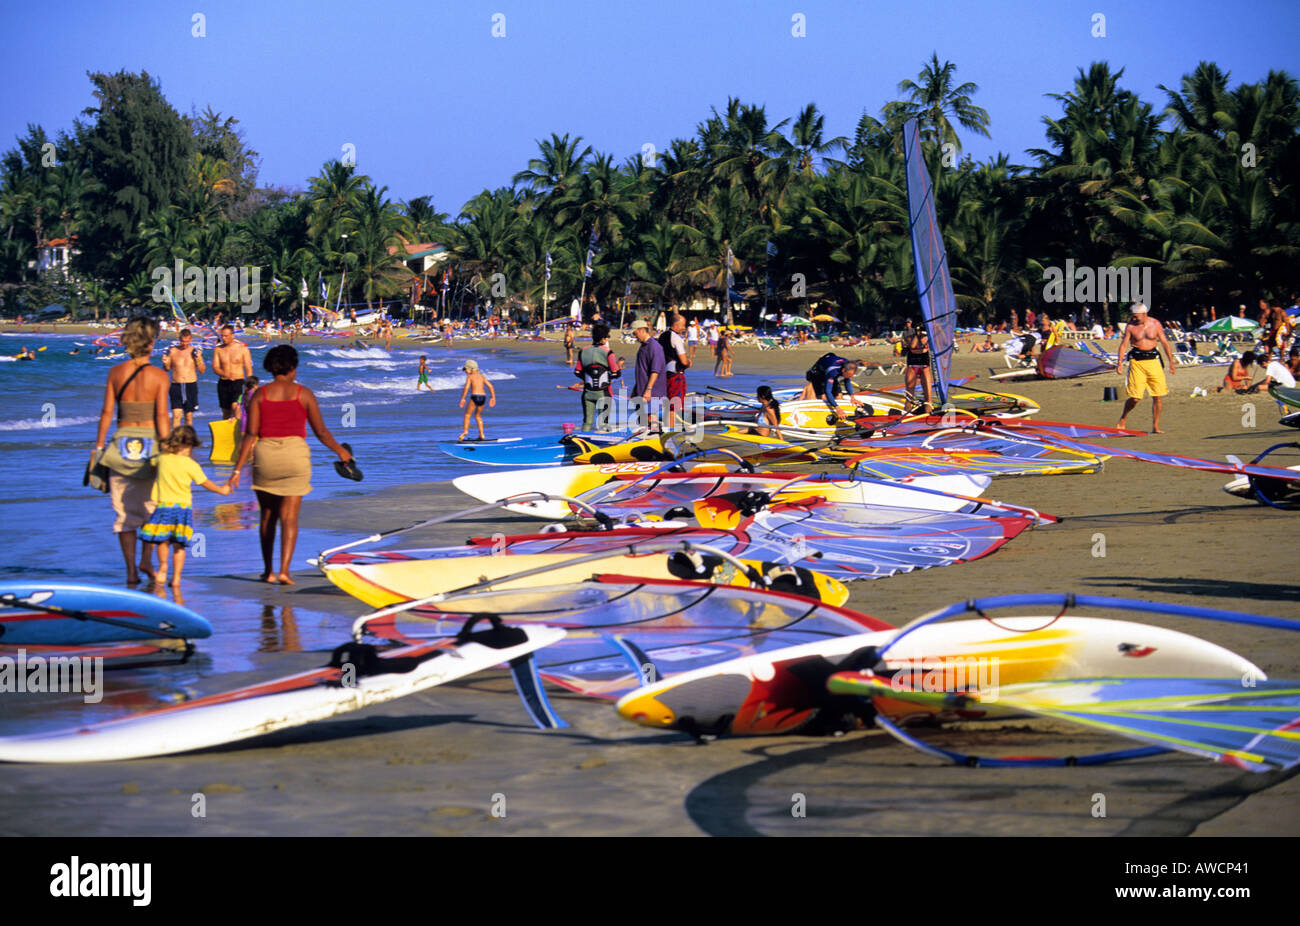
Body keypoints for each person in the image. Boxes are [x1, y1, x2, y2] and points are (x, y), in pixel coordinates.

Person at [229, 345, 352, 584]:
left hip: (266, 457)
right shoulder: (303, 394)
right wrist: (341, 452)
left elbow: (250, 434)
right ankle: (285, 571)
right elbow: (322, 432)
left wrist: (236, 470)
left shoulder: (260, 395)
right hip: (296, 457)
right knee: (290, 518)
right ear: (292, 367)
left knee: (267, 516)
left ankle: (269, 572)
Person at [94, 317, 171, 585]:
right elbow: (163, 417)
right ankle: (147, 559)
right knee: (153, 508)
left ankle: (130, 572)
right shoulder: (160, 376)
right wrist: (169, 451)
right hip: (151, 446)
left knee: (124, 513)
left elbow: (106, 413)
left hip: (121, 446)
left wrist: (99, 447)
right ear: (151, 343)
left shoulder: (115, 373)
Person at [140, 425, 232, 588]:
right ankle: (176, 578)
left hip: (163, 506)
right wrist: (222, 490)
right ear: (190, 445)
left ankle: (162, 567)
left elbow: (150, 465)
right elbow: (205, 483)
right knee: (179, 545)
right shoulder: (191, 465)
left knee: (162, 541)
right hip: (183, 509)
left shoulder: (162, 458)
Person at [1116, 302, 1176, 433]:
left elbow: (1165, 343)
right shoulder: (1131, 326)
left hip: (1153, 361)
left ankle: (1155, 426)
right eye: (1133, 316)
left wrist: (1171, 362)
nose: (1134, 318)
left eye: (1136, 316)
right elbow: (1123, 344)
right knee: (1135, 397)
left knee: (1158, 395)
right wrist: (1119, 362)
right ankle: (1123, 418)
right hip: (1137, 362)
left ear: (1144, 314)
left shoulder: (1156, 324)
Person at [574, 323, 621, 431]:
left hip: (587, 393)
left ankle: (583, 442)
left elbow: (577, 372)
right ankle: (602, 445)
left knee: (587, 422)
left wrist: (587, 378)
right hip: (604, 393)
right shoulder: (608, 352)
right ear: (604, 338)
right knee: (603, 423)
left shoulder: (583, 351)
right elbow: (615, 373)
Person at [162, 328, 205, 427]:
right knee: (176, 416)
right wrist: (165, 362)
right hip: (176, 385)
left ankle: (188, 440)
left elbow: (202, 370)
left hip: (190, 385)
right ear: (179, 339)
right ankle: (175, 440)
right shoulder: (172, 351)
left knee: (188, 416)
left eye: (186, 341)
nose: (184, 344)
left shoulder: (194, 352)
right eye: (182, 341)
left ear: (190, 340)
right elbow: (167, 369)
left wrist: (198, 359)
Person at [631, 319, 667, 431]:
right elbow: (642, 370)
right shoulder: (643, 346)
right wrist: (636, 389)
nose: (634, 336)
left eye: (635, 333)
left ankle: (655, 438)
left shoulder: (654, 347)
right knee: (643, 419)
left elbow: (655, 371)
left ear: (642, 330)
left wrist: (649, 389)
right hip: (643, 390)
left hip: (653, 391)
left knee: (651, 417)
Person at [800, 352, 859, 419]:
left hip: (830, 371)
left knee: (839, 396)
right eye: (848, 375)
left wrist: (852, 397)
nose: (849, 377)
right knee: (823, 398)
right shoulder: (832, 371)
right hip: (817, 374)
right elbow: (828, 391)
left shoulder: (848, 365)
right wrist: (838, 409)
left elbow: (847, 380)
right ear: (843, 370)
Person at [212, 324, 253, 420]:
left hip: (238, 383)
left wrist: (249, 386)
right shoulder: (218, 349)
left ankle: (238, 430)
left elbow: (248, 369)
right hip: (223, 383)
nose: (223, 338)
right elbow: (215, 367)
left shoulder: (243, 349)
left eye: (226, 336)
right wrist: (224, 374)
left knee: (236, 407)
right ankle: (228, 432)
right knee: (226, 412)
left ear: (232, 335)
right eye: (222, 336)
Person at [659, 313, 691, 428]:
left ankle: (666, 427)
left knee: (667, 405)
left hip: (663, 375)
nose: (684, 328)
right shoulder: (676, 338)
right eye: (683, 325)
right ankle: (671, 431)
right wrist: (689, 363)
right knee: (674, 406)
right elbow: (683, 361)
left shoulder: (662, 336)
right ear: (676, 325)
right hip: (675, 375)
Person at [458, 359, 496, 440]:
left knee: (467, 415)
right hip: (483, 397)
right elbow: (491, 386)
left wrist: (463, 399)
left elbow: (466, 387)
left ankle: (465, 431)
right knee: (478, 416)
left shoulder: (470, 377)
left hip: (475, 396)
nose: (465, 372)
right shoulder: (482, 376)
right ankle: (481, 434)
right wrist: (493, 398)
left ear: (470, 369)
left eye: (466, 370)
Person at [903, 325, 934, 412]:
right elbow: (912, 347)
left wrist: (923, 336)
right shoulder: (909, 335)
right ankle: (908, 411)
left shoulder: (928, 336)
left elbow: (925, 349)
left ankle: (928, 412)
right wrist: (917, 335)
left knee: (928, 395)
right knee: (909, 393)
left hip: (924, 365)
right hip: (912, 365)